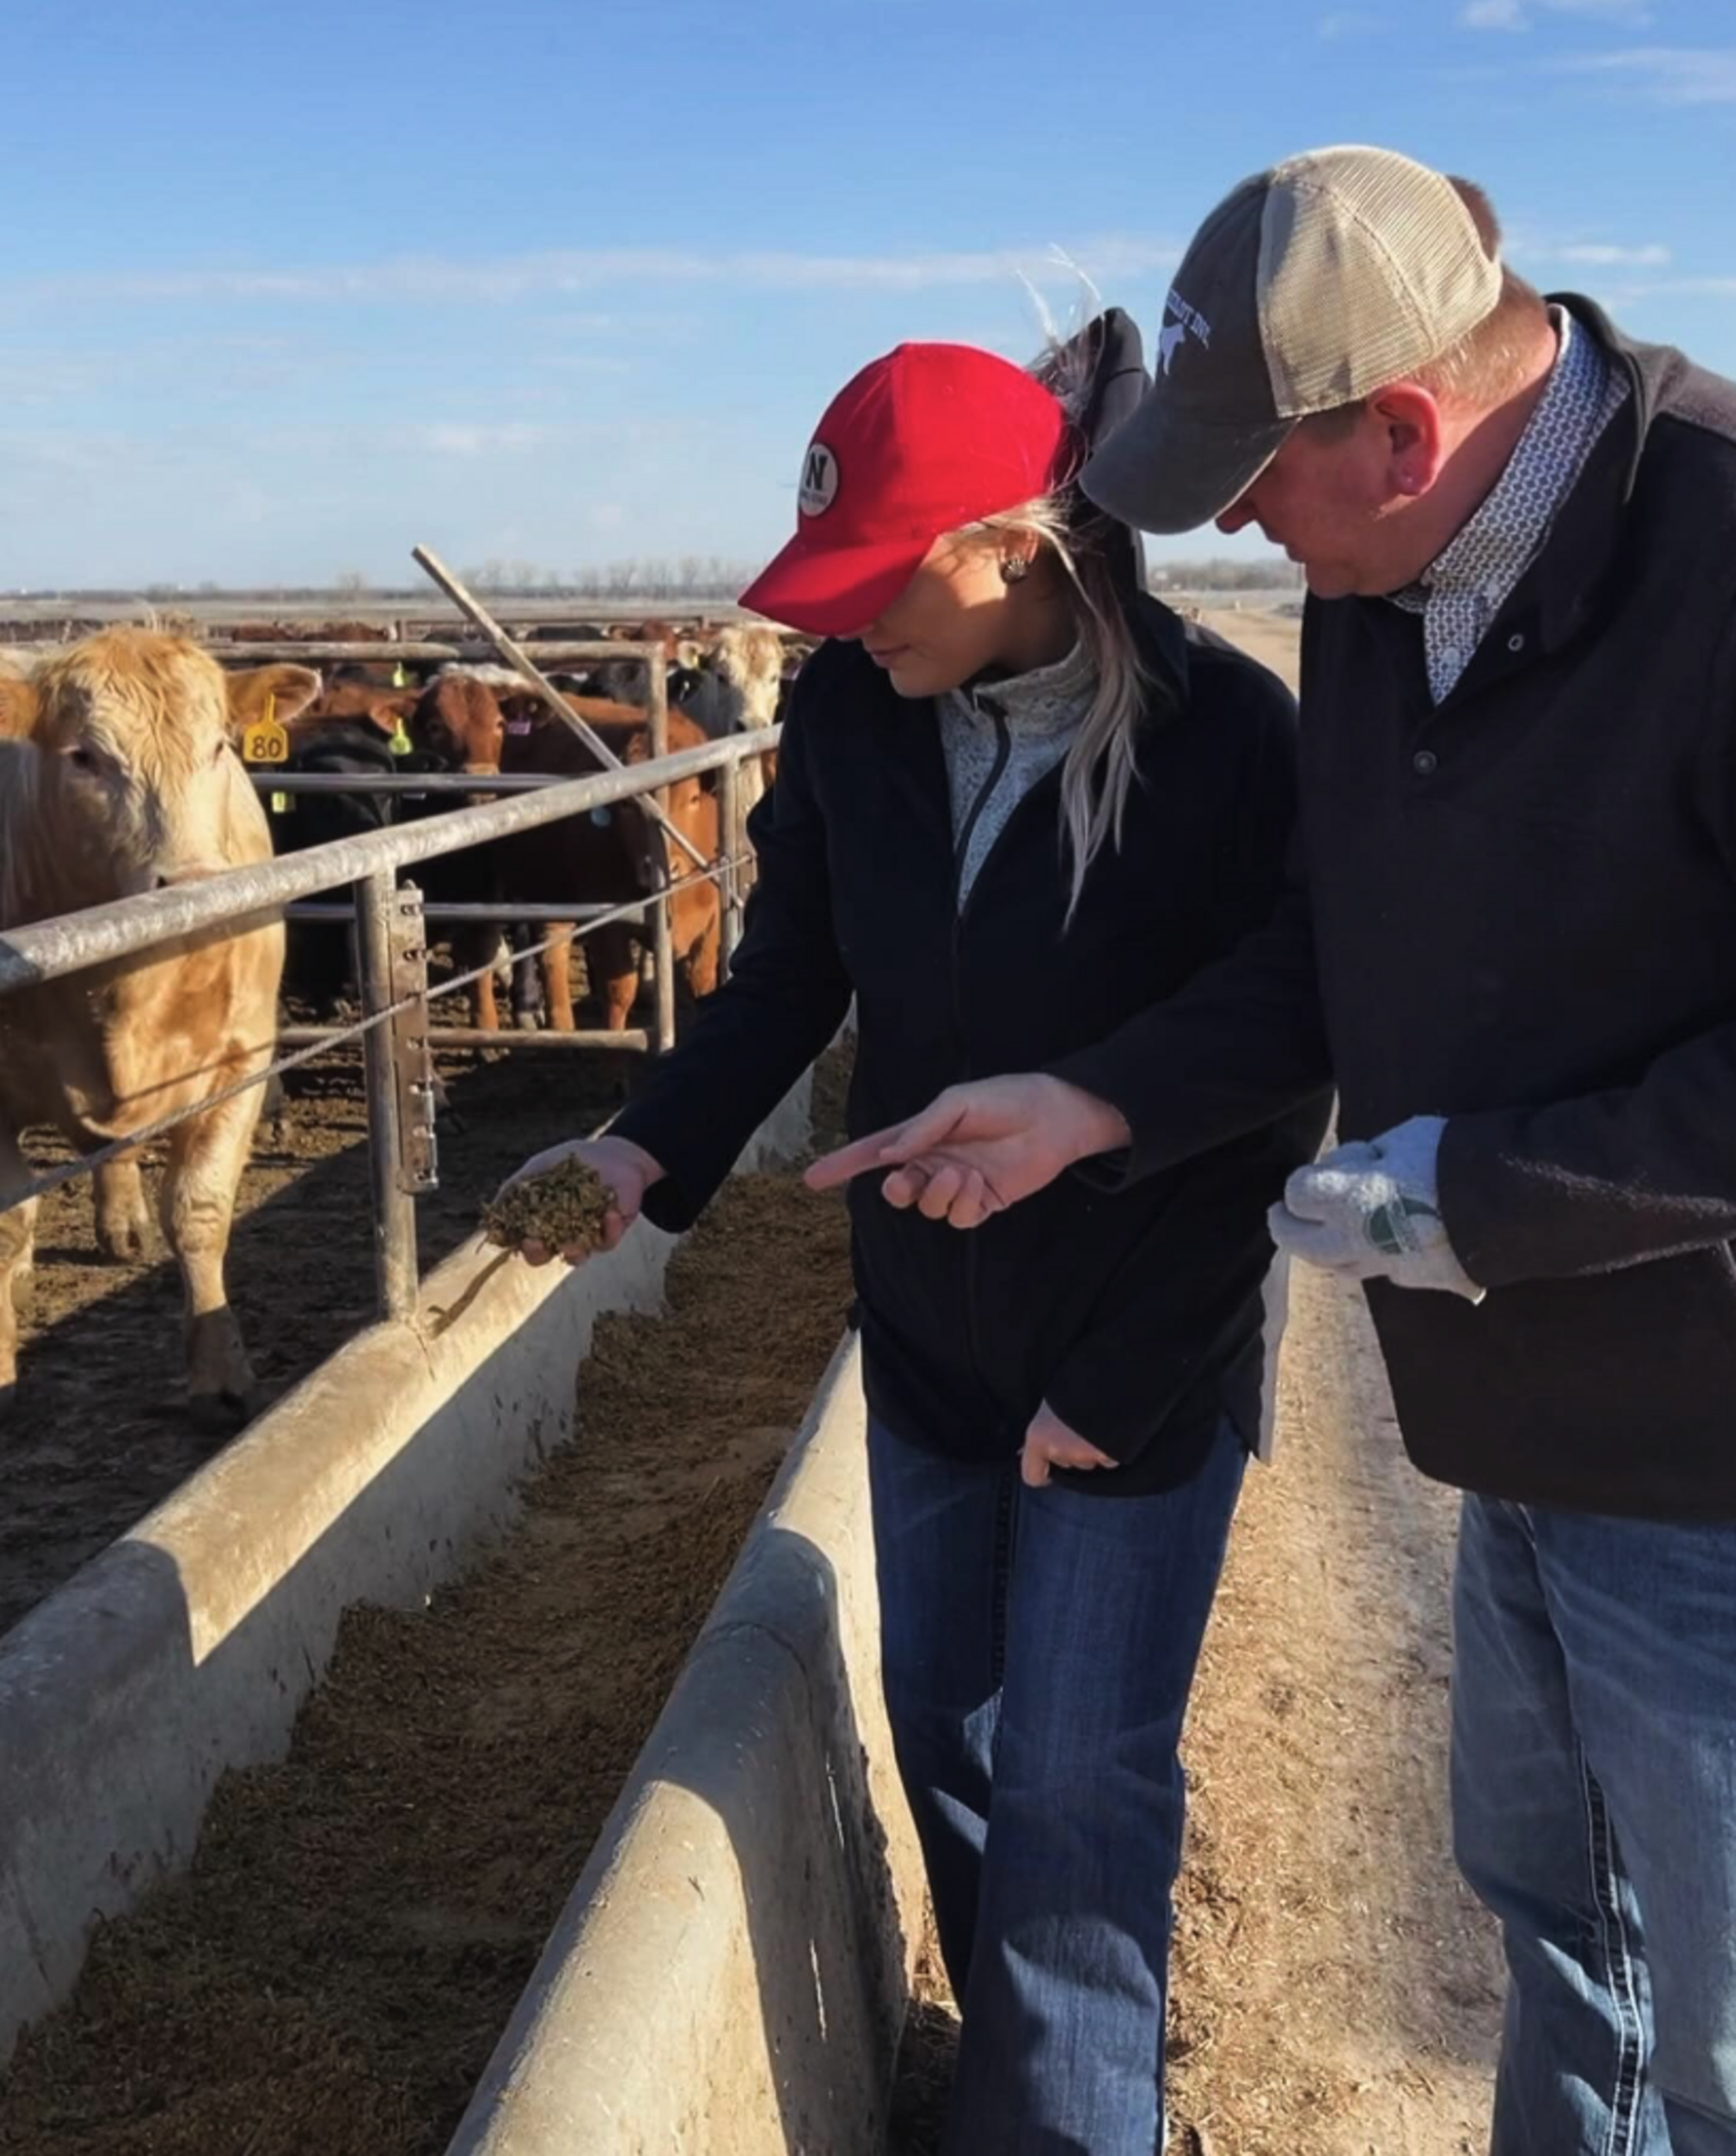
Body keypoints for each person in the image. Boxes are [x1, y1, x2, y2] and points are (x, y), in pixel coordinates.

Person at [811, 145, 1736, 2155]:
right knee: (1567, 1931)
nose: (1229, 526)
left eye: (1248, 483)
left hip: (1708, 1441)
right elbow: (1330, 947)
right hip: (1536, 1413)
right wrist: (1100, 1100)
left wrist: (1466, 1194)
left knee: (1723, 2011)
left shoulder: (1718, 556)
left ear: (1400, 430)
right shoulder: (1398, 589)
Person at [503, 316, 1327, 2153]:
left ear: (1009, 549)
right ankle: (1024, 2067)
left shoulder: (1226, 748)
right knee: (946, 1727)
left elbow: (1275, 1093)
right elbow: (792, 974)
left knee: (1081, 1785)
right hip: (927, 1323)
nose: (839, 622)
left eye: (880, 582)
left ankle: (1065, 2122)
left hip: (1139, 1344)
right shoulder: (852, 720)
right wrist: (645, 1149)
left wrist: (1125, 1383)